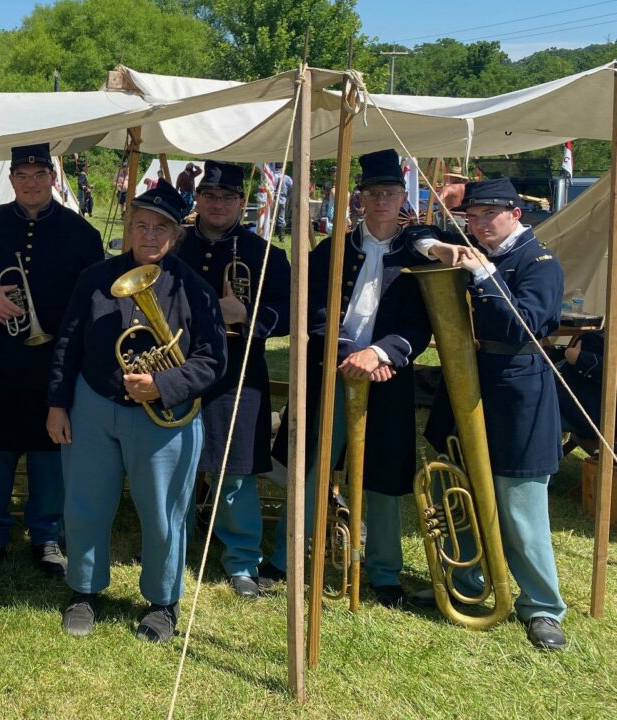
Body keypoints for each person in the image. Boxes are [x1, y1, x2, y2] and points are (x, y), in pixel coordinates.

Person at [48, 181, 227, 643]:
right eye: (141, 225)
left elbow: (213, 359)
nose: (149, 235)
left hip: (162, 415)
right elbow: (67, 344)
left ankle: (162, 603)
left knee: (163, 511)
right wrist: (58, 403)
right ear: (128, 229)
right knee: (86, 503)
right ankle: (85, 591)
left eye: (160, 228)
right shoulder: (95, 278)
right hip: (93, 402)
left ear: (176, 235)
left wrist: (163, 384)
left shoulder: (194, 288)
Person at [268, 150, 432, 608]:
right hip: (335, 371)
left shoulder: (418, 254)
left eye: (390, 193)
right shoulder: (332, 251)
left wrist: (380, 353)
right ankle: (285, 558)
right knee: (314, 467)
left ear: (403, 197)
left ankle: (382, 572)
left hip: (388, 375)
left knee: (381, 475)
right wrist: (350, 355)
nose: (381, 201)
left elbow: (421, 324)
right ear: (359, 199)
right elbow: (316, 314)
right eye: (373, 193)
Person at [415, 177, 569, 651]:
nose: (477, 225)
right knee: (463, 485)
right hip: (469, 379)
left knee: (519, 504)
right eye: (471, 217)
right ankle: (471, 579)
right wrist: (438, 246)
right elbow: (415, 239)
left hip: (516, 388)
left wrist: (484, 273)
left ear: (515, 214)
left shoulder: (539, 262)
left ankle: (542, 605)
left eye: (488, 216)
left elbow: (523, 324)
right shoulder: (476, 248)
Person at [0, 144, 104, 578]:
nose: (32, 183)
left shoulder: (82, 234)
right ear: (11, 179)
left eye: (40, 175)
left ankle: (46, 536)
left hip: (55, 364)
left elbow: (96, 299)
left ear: (53, 178)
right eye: (24, 175)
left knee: (49, 451)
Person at [178, 162, 291, 598]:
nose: (217, 203)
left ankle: (242, 558)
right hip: (179, 368)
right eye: (209, 195)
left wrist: (248, 315)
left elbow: (291, 312)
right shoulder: (175, 245)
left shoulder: (266, 254)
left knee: (235, 470)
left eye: (227, 197)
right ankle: (176, 545)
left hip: (238, 373)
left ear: (242, 203)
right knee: (176, 462)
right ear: (199, 198)